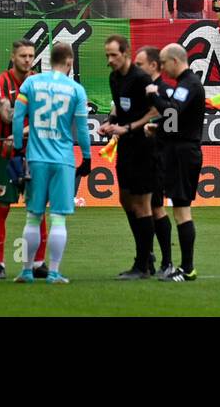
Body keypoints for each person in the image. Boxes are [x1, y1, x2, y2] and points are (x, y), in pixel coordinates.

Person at [11, 42, 91, 284]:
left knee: (33, 217)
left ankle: (26, 270)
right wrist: (86, 157)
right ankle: (54, 272)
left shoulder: (31, 84)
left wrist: (17, 151)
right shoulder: (76, 89)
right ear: (69, 62)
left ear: (47, 61)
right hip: (63, 159)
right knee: (57, 217)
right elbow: (83, 129)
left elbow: (16, 119)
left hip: (36, 157)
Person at [98, 34, 158, 279]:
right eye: (107, 55)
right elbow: (119, 106)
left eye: (113, 55)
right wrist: (110, 122)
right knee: (125, 199)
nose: (110, 60)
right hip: (126, 147)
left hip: (144, 145)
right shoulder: (114, 78)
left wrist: (128, 127)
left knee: (143, 205)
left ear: (126, 53)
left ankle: (143, 263)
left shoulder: (141, 78)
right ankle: (147, 255)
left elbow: (155, 109)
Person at [0, 40, 47, 280]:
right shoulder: (1, 81)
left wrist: (24, 128)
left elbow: (45, 114)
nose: (27, 59)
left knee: (38, 209)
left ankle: (38, 263)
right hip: (8, 153)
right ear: (13, 57)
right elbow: (5, 113)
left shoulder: (39, 81)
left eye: (31, 55)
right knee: (3, 207)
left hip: (35, 153)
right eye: (23, 55)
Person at [146, 43, 204, 281]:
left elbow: (172, 111)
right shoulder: (185, 84)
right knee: (180, 209)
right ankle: (185, 267)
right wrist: (158, 128)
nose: (162, 67)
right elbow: (174, 119)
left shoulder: (188, 84)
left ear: (175, 61)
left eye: (163, 61)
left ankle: (187, 268)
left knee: (182, 211)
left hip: (184, 153)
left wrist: (153, 96)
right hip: (179, 151)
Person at [134, 45, 174, 277]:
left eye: (140, 65)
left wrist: (156, 128)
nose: (136, 69)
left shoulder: (164, 91)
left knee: (156, 207)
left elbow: (173, 124)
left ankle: (166, 262)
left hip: (157, 157)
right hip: (141, 155)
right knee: (143, 207)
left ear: (153, 65)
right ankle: (146, 257)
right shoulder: (143, 89)